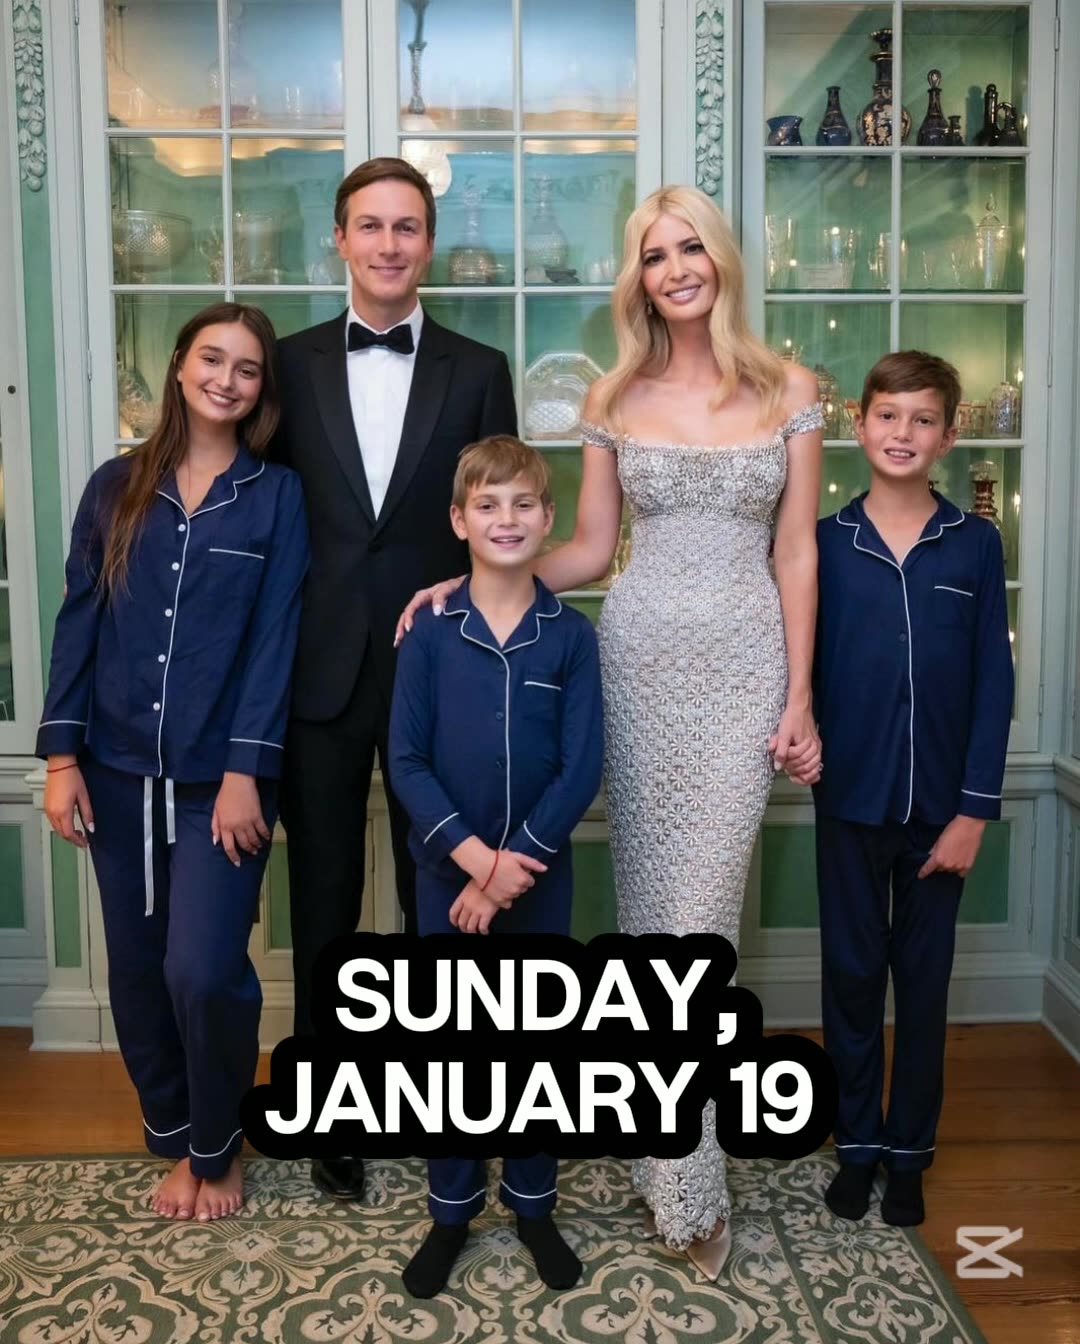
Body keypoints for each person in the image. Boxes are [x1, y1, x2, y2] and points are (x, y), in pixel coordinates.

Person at [397, 184, 824, 1278]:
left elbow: (795, 556)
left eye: (689, 247)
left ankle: (687, 1184)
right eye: (651, 253)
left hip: (741, 676)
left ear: (719, 258)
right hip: (633, 669)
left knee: (698, 936)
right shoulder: (614, 395)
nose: (674, 267)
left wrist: (799, 697)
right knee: (648, 938)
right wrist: (467, 581)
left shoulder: (791, 391)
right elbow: (585, 549)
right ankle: (664, 1159)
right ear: (635, 276)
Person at [271, 157, 517, 1204]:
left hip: (440, 668)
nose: (386, 244)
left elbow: (500, 511)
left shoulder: (478, 366)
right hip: (315, 668)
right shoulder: (283, 366)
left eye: (406, 227)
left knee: (442, 901)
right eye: (368, 226)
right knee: (324, 895)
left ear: (428, 240)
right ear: (339, 240)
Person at [37, 303, 309, 1223]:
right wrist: (60, 757)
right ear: (181, 368)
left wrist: (245, 772)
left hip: (219, 784)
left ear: (261, 390)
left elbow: (275, 642)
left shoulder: (275, 497)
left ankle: (218, 1144)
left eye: (247, 369)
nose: (226, 380)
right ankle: (175, 1136)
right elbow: (79, 621)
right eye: (211, 359)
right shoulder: (115, 486)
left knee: (203, 968)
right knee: (138, 975)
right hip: (113, 772)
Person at [389, 434, 603, 1298]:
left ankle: (534, 1202)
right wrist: (476, 864)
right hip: (448, 878)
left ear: (548, 519)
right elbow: (405, 761)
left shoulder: (571, 637)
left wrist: (518, 866)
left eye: (523, 505)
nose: (506, 519)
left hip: (538, 881)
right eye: (488, 505)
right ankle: (450, 1213)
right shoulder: (429, 633)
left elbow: (582, 765)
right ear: (459, 519)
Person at [813, 351, 1013, 1227]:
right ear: (859, 425)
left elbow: (992, 687)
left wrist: (974, 809)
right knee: (853, 980)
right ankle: (856, 1147)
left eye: (922, 419)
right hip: (848, 802)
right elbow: (798, 666)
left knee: (921, 988)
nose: (903, 434)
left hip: (942, 813)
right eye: (888, 416)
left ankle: (907, 1156)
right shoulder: (824, 544)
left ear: (950, 433)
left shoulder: (975, 544)